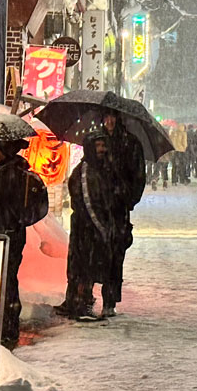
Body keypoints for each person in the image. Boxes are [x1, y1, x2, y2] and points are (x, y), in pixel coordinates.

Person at [0, 138, 46, 348]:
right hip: (13, 234)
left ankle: (7, 328)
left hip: (5, 235)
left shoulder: (9, 174)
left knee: (6, 283)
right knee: (8, 280)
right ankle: (7, 326)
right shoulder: (11, 170)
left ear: (5, 151)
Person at [56, 131, 118, 321]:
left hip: (98, 229)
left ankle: (84, 300)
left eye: (103, 146)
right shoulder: (83, 171)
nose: (101, 150)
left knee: (92, 266)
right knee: (81, 266)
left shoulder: (105, 169)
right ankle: (78, 302)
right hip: (85, 228)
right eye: (98, 146)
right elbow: (83, 199)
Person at [101, 112, 145, 317]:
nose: (109, 122)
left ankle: (109, 299)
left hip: (119, 209)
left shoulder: (131, 143)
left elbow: (138, 176)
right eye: (106, 117)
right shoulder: (97, 140)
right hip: (99, 207)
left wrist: (127, 198)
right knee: (98, 255)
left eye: (113, 118)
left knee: (115, 255)